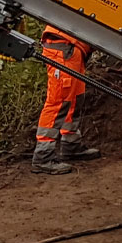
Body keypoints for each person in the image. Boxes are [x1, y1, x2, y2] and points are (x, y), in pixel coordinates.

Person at [32, 28, 102, 175]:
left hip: (73, 47)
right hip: (63, 46)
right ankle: (43, 156)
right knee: (58, 103)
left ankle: (71, 144)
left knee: (76, 98)